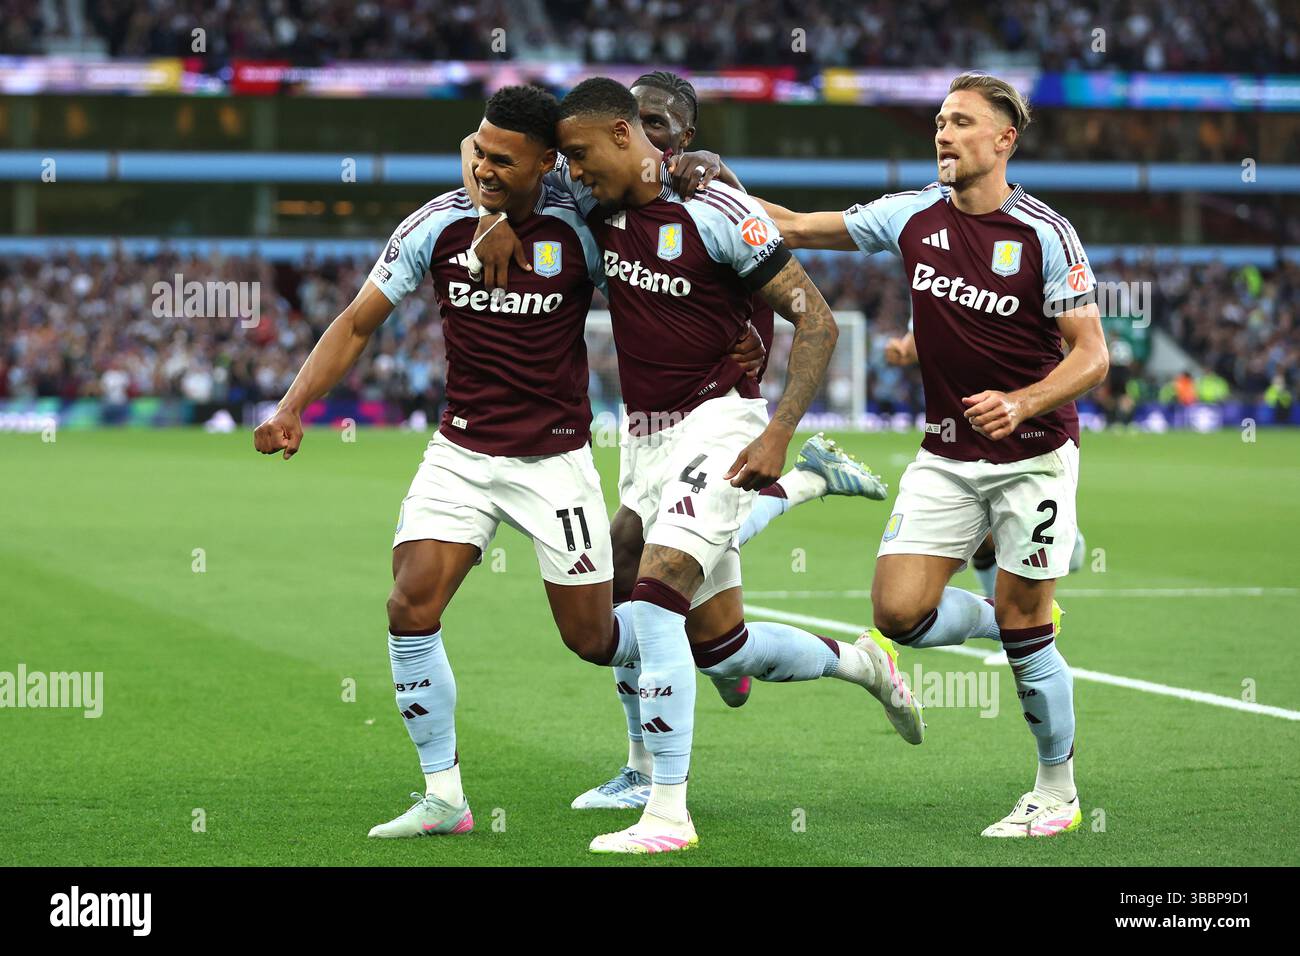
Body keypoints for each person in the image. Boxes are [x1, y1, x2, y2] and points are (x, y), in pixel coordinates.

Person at [252, 85, 763, 840]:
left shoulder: (584, 224)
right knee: (409, 605)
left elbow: (678, 275)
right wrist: (291, 406)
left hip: (554, 462)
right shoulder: (437, 223)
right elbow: (357, 322)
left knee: (594, 639)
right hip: (460, 452)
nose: (484, 168)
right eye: (479, 155)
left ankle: (707, 646)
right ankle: (443, 796)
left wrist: (741, 329)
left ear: (549, 164)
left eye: (503, 161)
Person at [470, 77, 924, 854]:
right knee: (719, 645)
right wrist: (492, 217)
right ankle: (864, 666)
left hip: (720, 423)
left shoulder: (715, 207)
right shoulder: (592, 202)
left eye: (579, 153)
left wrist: (778, 431)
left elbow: (816, 320)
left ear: (626, 135)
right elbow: (483, 155)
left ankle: (666, 811)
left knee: (653, 602)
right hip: (645, 440)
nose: (570, 170)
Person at [759, 71, 1109, 837]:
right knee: (898, 613)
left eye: (961, 122)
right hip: (947, 452)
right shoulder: (912, 213)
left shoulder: (1045, 234)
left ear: (1004, 140)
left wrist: (1022, 402)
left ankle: (1057, 792)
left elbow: (1092, 355)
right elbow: (797, 226)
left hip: (1033, 455)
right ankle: (1003, 612)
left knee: (1029, 634)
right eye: (940, 122)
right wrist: (708, 194)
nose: (944, 134)